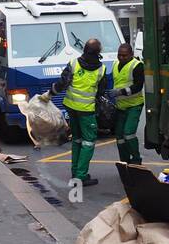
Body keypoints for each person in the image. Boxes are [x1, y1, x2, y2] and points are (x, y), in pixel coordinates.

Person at [52, 37, 109, 187]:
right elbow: (101, 91)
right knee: (88, 142)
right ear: (99, 52)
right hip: (86, 110)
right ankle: (81, 176)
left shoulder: (73, 63)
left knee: (77, 139)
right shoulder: (101, 69)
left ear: (84, 50)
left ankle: (75, 172)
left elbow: (62, 83)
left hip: (71, 107)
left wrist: (48, 95)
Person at [110, 41, 144, 165]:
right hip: (120, 107)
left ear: (131, 54)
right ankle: (125, 162)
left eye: (124, 55)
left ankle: (136, 161)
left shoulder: (137, 65)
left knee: (128, 133)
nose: (121, 57)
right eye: (119, 55)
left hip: (134, 105)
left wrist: (120, 92)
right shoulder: (115, 65)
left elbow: (138, 86)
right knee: (119, 137)